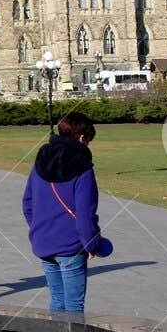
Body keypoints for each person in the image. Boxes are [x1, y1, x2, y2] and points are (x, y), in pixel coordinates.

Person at [22, 111, 104, 316]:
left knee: (57, 301)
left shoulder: (40, 161)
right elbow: (85, 213)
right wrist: (91, 243)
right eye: (88, 141)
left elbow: (28, 204)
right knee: (74, 307)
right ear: (82, 138)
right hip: (70, 245)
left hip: (43, 241)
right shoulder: (83, 168)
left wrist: (39, 229)